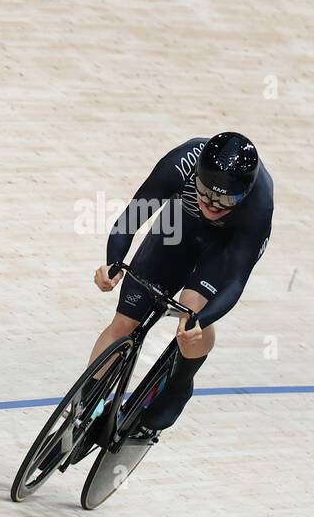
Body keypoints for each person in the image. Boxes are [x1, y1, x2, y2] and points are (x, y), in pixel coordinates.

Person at [85, 132, 273, 443]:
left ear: (244, 194)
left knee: (191, 315)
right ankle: (86, 402)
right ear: (195, 174)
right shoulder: (181, 163)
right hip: (179, 228)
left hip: (222, 249)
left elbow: (236, 280)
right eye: (204, 192)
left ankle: (178, 384)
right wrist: (112, 263)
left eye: (224, 201)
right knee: (124, 320)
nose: (211, 205)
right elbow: (132, 217)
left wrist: (202, 320)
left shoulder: (259, 204)